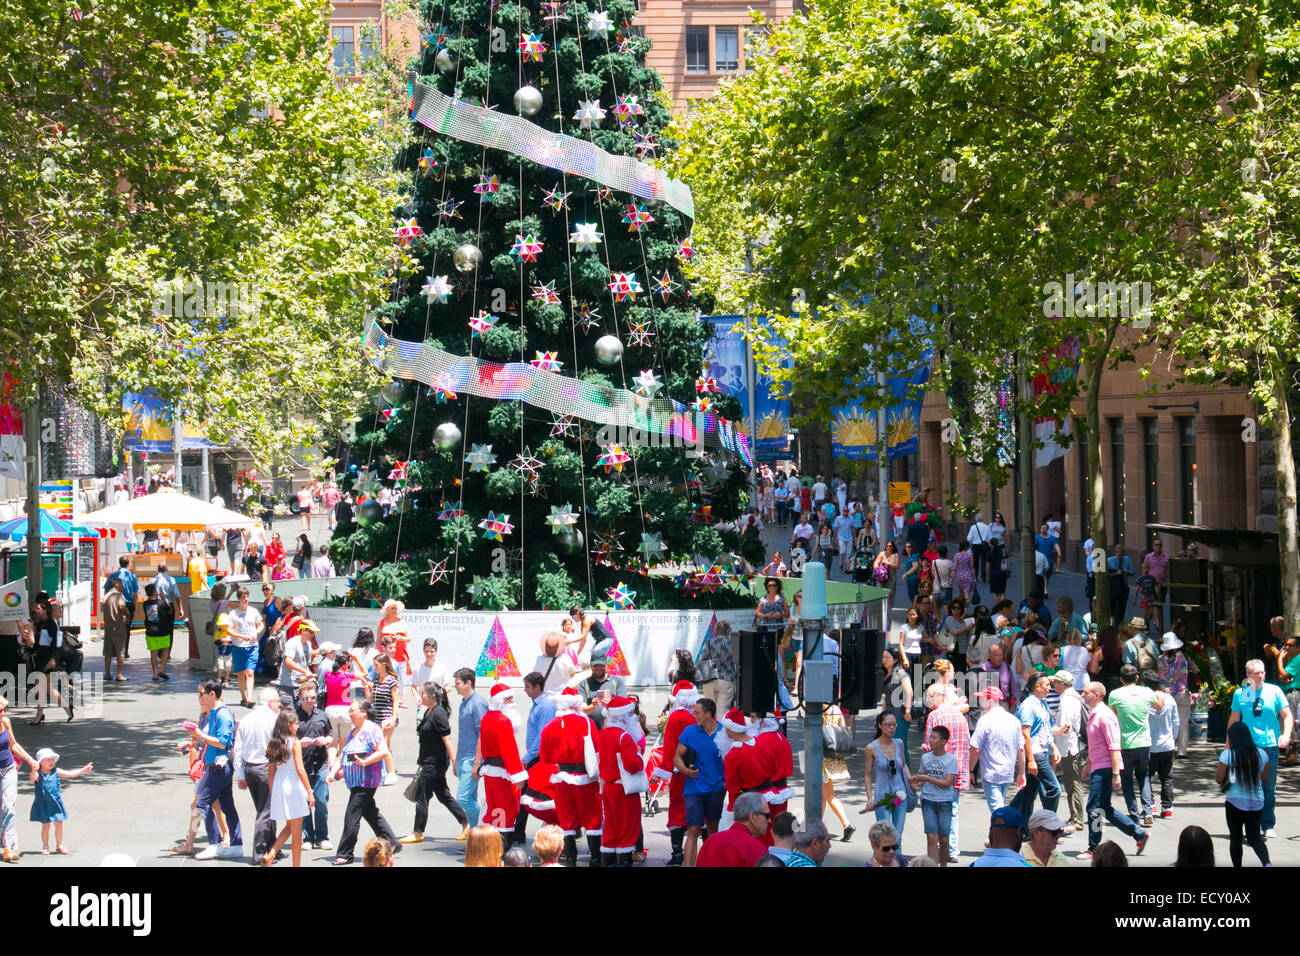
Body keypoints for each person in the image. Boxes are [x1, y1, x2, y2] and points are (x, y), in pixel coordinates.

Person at [1079, 681, 1148, 861]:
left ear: (1098, 695)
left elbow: (1114, 746)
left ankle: (1093, 848)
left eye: (1086, 692)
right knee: (1104, 808)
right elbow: (1096, 745)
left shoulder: (1104, 715)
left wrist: (1116, 773)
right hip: (1098, 766)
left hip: (1106, 768)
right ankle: (1138, 834)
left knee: (1094, 808)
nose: (1083, 695)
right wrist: (1088, 764)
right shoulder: (1094, 714)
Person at [1227, 658, 1292, 839]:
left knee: (1268, 788)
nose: (1261, 676)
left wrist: (1285, 735)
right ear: (1248, 675)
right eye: (1257, 673)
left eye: (1263, 672)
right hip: (1247, 747)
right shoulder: (1240, 694)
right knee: (1248, 787)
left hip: (1270, 746)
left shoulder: (1275, 691)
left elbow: (1287, 715)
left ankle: (1267, 824)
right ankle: (1250, 826)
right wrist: (1228, 746)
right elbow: (1233, 721)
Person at [540, 686, 602, 866]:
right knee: (592, 818)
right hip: (585, 777)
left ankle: (569, 858)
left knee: (567, 819)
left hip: (562, 778)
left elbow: (545, 757)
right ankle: (596, 859)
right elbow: (596, 750)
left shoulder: (551, 726)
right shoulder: (587, 723)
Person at [401, 681, 468, 845]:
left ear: (432, 695)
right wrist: (421, 762)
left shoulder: (439, 713)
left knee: (422, 795)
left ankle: (418, 832)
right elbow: (426, 740)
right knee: (443, 795)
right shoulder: (428, 710)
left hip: (436, 761)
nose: (421, 695)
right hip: (428, 760)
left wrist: (454, 762)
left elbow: (447, 739)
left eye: (423, 693)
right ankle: (466, 824)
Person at [334, 701, 399, 865]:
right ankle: (392, 842)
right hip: (356, 781)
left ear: (363, 712)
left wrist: (365, 762)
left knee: (352, 815)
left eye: (352, 711)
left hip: (366, 781)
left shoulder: (371, 729)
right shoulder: (355, 730)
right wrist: (333, 770)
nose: (349, 713)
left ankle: (345, 853)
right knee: (370, 813)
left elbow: (383, 751)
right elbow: (345, 753)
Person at [190, 680, 244, 860]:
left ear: (212, 694)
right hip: (215, 765)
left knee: (202, 803)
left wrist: (201, 736)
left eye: (201, 694)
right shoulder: (214, 713)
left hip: (219, 767)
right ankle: (236, 844)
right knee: (227, 805)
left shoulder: (222, 715)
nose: (199, 698)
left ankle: (215, 843)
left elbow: (222, 742)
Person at [1110, 664, 1168, 827]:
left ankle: (1134, 815)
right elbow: (1159, 706)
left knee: (1127, 780)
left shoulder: (1114, 694)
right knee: (1143, 777)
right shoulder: (1147, 692)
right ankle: (1148, 811)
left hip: (1125, 743)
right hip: (1143, 742)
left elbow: (1112, 716)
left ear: (1121, 679)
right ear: (1137, 678)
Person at [595, 696, 647, 865]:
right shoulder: (624, 737)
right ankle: (623, 861)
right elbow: (633, 765)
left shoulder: (603, 735)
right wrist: (638, 755)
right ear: (624, 716)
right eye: (630, 714)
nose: (633, 717)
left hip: (608, 788)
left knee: (610, 828)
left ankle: (607, 861)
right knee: (626, 829)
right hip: (623, 789)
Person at [675, 697, 726, 867]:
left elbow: (731, 760)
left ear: (708, 714)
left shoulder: (724, 733)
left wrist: (727, 783)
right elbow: (677, 758)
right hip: (693, 790)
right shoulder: (689, 732)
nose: (693, 715)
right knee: (693, 830)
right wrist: (686, 771)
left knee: (712, 830)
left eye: (697, 712)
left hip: (716, 789)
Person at [655, 679, 700, 866]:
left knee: (677, 811)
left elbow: (670, 746)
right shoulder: (702, 715)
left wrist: (664, 770)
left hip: (679, 772)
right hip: (699, 773)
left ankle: (677, 854)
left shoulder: (676, 717)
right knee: (699, 812)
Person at [921, 684, 969, 860]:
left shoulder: (934, 716)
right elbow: (966, 745)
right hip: (957, 769)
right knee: (952, 808)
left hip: (938, 772)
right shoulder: (959, 715)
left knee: (937, 809)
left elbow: (928, 746)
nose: (927, 700)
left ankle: (942, 848)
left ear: (938, 696)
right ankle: (952, 849)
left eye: (929, 696)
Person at [259, 711, 313, 867]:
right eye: (295, 724)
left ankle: (270, 855)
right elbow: (300, 769)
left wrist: (273, 793)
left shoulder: (274, 743)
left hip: (279, 786)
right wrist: (309, 791)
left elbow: (270, 774)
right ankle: (296, 865)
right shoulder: (294, 742)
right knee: (297, 834)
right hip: (293, 786)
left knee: (290, 826)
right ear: (289, 726)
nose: (298, 726)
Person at [233, 688, 282, 859]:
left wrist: (240, 773)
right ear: (270, 703)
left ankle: (274, 846)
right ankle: (260, 853)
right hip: (266, 768)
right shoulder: (273, 719)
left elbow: (237, 747)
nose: (279, 705)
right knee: (266, 811)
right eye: (277, 702)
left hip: (250, 768)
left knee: (267, 809)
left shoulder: (246, 719)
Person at [476, 682, 528, 842]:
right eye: (508, 698)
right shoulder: (503, 721)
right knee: (506, 809)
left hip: (491, 773)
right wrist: (518, 777)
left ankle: (492, 847)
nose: (512, 702)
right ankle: (503, 849)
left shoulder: (486, 719)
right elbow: (509, 751)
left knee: (495, 808)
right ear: (500, 701)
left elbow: (484, 747)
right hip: (504, 774)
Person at [1216, 721, 1270, 867]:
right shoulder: (1262, 754)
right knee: (1255, 839)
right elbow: (1264, 779)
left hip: (1234, 801)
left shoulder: (1228, 754)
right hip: (1257, 802)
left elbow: (1219, 778)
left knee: (1236, 839)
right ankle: (1267, 863)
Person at [1010, 674, 1061, 819]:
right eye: (1047, 685)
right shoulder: (1028, 706)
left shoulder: (1042, 703)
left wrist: (1053, 748)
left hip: (1042, 750)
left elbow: (1045, 729)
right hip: (1035, 752)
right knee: (1054, 789)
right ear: (1037, 687)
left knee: (1028, 792)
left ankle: (1020, 826)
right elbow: (1026, 733)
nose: (1049, 688)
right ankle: (1047, 824)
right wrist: (1031, 760)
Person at [969, 687, 1024, 814]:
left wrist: (970, 770)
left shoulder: (985, 720)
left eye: (982, 698)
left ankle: (1003, 831)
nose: (980, 702)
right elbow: (1021, 748)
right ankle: (1002, 830)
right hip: (1007, 772)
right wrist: (1021, 772)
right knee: (1001, 806)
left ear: (990, 700)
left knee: (998, 812)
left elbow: (975, 749)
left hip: (991, 773)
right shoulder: (1014, 720)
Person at [27, 748, 93, 855]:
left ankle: (59, 845)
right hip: (43, 804)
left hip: (55, 803)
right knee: (46, 825)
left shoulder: (56, 771)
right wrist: (34, 769)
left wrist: (84, 769)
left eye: (52, 760)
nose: (51, 762)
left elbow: (71, 774)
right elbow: (32, 778)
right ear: (40, 762)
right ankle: (45, 846)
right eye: (48, 760)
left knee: (59, 823)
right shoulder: (38, 774)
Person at [294, 685, 332, 850]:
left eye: (313, 698)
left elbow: (330, 734)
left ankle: (322, 837)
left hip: (320, 763)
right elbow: (286, 739)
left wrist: (327, 740)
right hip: (301, 765)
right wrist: (299, 743)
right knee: (305, 802)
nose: (310, 701)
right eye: (306, 698)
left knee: (321, 801)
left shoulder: (322, 715)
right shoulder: (294, 717)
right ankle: (308, 837)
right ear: (300, 699)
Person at [452, 667, 489, 839]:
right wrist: (456, 759)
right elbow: (463, 732)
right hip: (463, 758)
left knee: (463, 797)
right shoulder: (463, 704)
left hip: (472, 759)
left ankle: (482, 826)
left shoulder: (478, 703)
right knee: (470, 797)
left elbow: (482, 734)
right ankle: (476, 839)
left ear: (468, 683)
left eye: (458, 683)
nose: (455, 686)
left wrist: (477, 762)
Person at [914, 725, 957, 867]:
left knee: (944, 839)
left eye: (934, 738)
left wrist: (927, 779)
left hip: (945, 802)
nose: (930, 741)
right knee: (932, 838)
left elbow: (947, 783)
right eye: (930, 737)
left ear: (943, 741)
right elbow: (921, 777)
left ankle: (943, 865)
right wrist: (915, 784)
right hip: (928, 801)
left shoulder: (951, 759)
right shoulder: (925, 757)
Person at [1050, 671, 1087, 833]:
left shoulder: (1067, 701)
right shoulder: (1073, 697)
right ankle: (1075, 817)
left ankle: (1077, 819)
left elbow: (1064, 727)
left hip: (1070, 747)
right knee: (1071, 782)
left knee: (1073, 783)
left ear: (1062, 684)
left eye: (1055, 683)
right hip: (1073, 745)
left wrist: (1051, 729)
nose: (1053, 686)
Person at [694, 790, 767, 868]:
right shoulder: (756, 849)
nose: (769, 820)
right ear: (752, 817)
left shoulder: (710, 841)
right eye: (767, 815)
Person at [752, 712, 795, 844]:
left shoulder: (760, 740)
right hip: (781, 790)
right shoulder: (781, 737)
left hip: (765, 793)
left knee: (761, 833)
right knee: (777, 832)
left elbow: (757, 769)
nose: (751, 721)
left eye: (754, 717)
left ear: (763, 721)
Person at [1144, 669, 1178, 819]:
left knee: (1146, 776)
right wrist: (1173, 738)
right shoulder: (1169, 699)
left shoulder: (1144, 700)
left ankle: (1150, 806)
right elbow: (1175, 722)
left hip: (1149, 745)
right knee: (1167, 777)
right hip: (1167, 745)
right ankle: (1167, 807)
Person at [225, 587, 263, 709]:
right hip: (238, 646)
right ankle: (243, 697)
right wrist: (240, 635)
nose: (246, 599)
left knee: (250, 672)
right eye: (243, 597)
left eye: (247, 597)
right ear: (239, 599)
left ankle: (250, 697)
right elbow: (229, 630)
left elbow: (261, 624)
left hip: (252, 646)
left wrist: (256, 632)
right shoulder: (233, 614)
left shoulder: (253, 611)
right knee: (240, 673)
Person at [878, 649, 913, 762]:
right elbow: (886, 696)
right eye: (883, 657)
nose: (885, 660)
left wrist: (907, 711)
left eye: (888, 657)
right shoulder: (887, 674)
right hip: (888, 716)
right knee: (889, 749)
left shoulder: (900, 673)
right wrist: (882, 714)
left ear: (895, 659)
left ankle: (904, 776)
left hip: (900, 716)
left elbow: (909, 692)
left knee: (900, 748)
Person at [697, 620, 737, 715]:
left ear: (715, 631)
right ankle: (721, 729)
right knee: (722, 711)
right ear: (728, 631)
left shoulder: (709, 642)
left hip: (710, 678)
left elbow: (701, 661)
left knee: (709, 710)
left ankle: (709, 729)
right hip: (727, 679)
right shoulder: (732, 643)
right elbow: (737, 661)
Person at [377, 599, 411, 705]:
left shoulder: (402, 622)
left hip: (400, 654)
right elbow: (378, 639)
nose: (394, 610)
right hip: (385, 655)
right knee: (385, 675)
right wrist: (377, 654)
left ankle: (400, 698)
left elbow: (409, 638)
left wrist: (401, 638)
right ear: (387, 609)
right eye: (392, 608)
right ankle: (386, 696)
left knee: (401, 676)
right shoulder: (382, 623)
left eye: (396, 608)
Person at [100, 577, 131, 684]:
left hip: (108, 626)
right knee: (120, 650)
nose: (123, 586)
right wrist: (127, 614)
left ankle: (107, 673)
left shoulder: (106, 595)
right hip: (118, 626)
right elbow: (121, 606)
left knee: (108, 651)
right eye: (122, 584)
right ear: (117, 585)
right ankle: (119, 674)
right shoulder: (118, 595)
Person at [1143, 537, 1171, 631]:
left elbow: (1169, 569)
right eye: (1156, 545)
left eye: (1160, 545)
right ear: (1153, 546)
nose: (1158, 547)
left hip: (1162, 585)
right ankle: (1152, 623)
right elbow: (1144, 570)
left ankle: (1156, 625)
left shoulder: (1166, 557)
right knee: (1152, 607)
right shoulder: (1148, 557)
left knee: (1159, 606)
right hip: (1151, 586)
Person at [1107, 545, 1135, 624]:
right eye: (1119, 555)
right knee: (1113, 608)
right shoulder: (1109, 561)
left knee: (1121, 608)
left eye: (1123, 555)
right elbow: (1106, 575)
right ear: (1115, 553)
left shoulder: (1127, 560)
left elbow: (1133, 572)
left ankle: (1119, 624)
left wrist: (1127, 572)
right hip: (1113, 587)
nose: (1121, 557)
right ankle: (1113, 623)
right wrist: (1116, 573)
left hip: (1123, 587)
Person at [967, 513, 992, 581]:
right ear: (982, 519)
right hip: (984, 545)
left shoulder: (973, 527)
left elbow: (969, 538)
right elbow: (990, 538)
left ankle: (975, 576)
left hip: (975, 546)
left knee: (975, 561)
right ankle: (984, 577)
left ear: (976, 519)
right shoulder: (986, 527)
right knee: (984, 561)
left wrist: (970, 544)